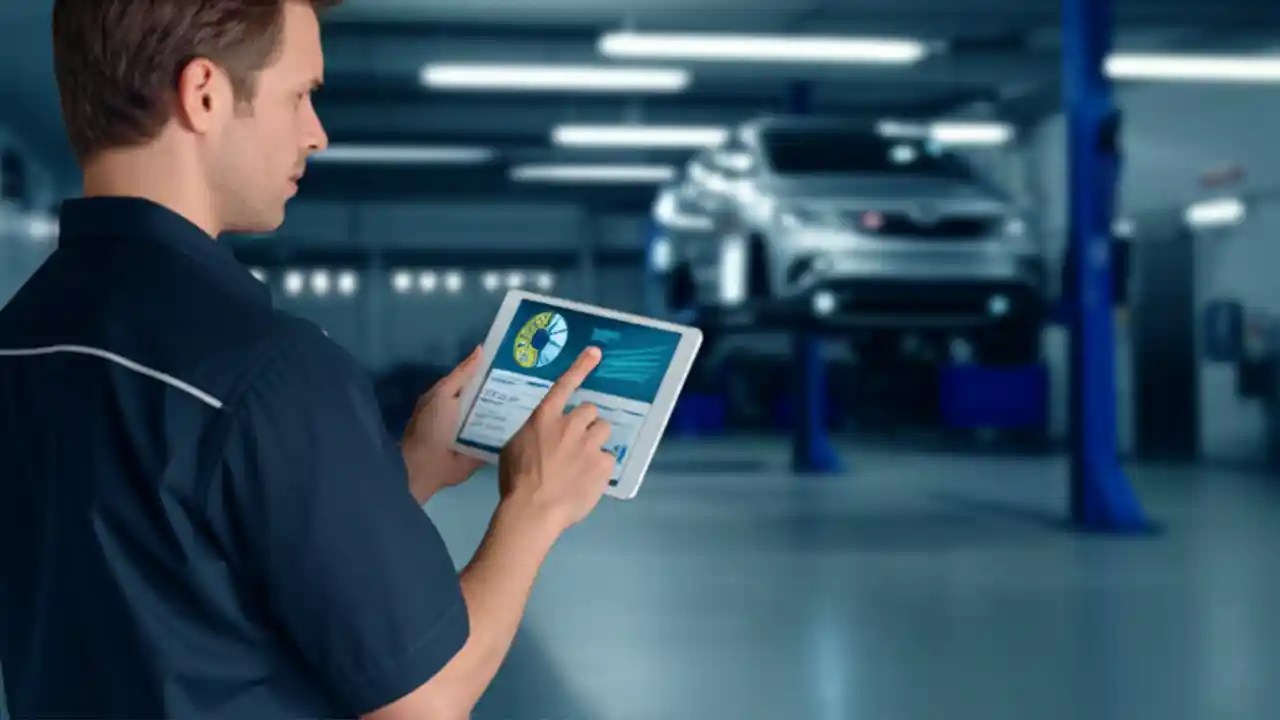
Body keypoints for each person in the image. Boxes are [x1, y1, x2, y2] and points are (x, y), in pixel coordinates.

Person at [0, 1, 617, 717]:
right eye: (301, 95)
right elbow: (426, 699)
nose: (317, 134)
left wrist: (401, 470)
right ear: (204, 95)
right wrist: (534, 507)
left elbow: (173, 559)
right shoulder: (271, 373)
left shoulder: (22, 338)